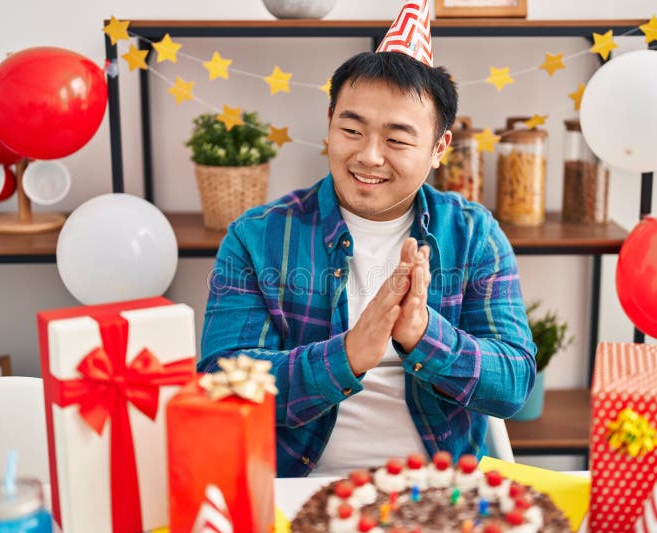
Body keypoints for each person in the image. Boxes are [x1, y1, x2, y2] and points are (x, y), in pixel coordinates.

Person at [198, 1, 535, 478]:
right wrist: (348, 354)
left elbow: (513, 383)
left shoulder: (474, 235)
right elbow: (221, 381)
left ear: (439, 148)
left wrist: (424, 335)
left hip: (438, 491)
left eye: (397, 140)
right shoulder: (258, 237)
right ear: (330, 121)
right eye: (351, 129)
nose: (369, 156)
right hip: (297, 487)